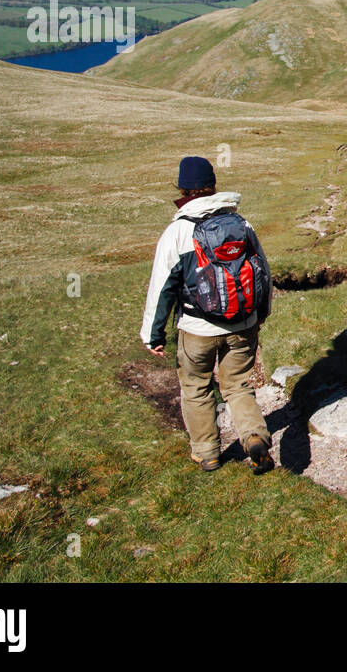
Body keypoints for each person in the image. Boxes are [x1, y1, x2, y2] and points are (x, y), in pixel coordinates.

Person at [140, 156, 274, 474]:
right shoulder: (241, 224)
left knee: (196, 386)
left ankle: (207, 453)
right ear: (213, 187)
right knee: (238, 385)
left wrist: (153, 334)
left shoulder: (177, 233)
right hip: (243, 324)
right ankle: (254, 437)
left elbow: (161, 289)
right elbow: (263, 273)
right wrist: (261, 314)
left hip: (196, 328)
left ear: (182, 190)